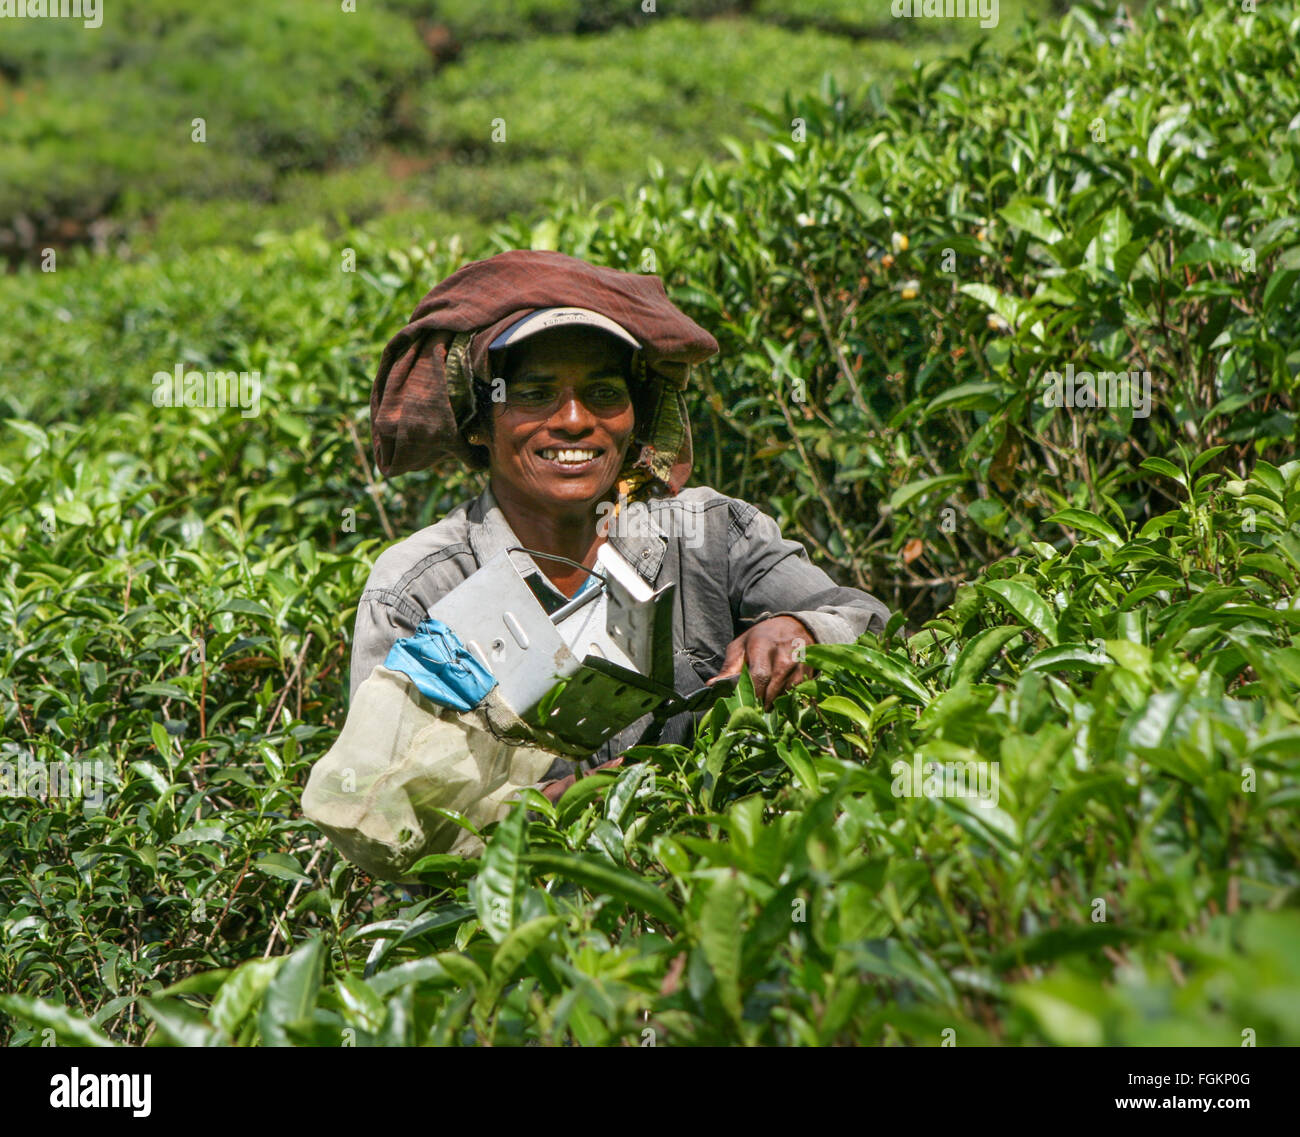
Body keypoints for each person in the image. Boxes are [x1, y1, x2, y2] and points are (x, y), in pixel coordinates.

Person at [354, 250, 890, 804]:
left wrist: (802, 631)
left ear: (636, 419)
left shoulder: (712, 535)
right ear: (478, 424)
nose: (575, 421)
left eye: (604, 394)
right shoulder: (418, 591)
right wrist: (539, 811)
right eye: (536, 395)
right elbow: (384, 803)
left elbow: (866, 619)